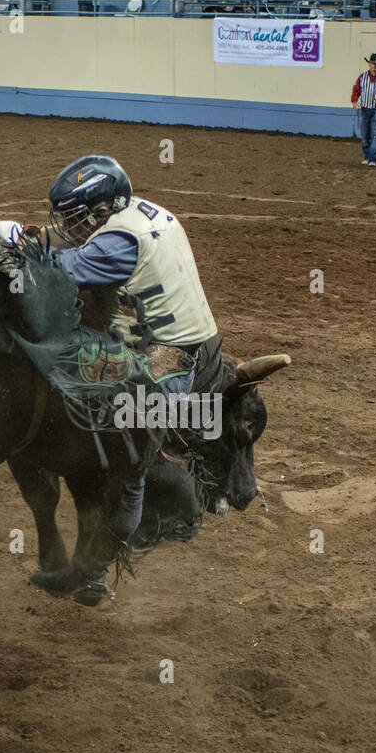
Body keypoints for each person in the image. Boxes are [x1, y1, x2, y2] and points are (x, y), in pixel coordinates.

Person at [45, 154, 222, 550]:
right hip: (178, 350)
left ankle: (111, 545)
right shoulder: (144, 215)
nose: (67, 226)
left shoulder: (117, 242)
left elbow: (59, 268)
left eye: (74, 217)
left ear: (100, 211)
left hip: (164, 365)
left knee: (121, 454)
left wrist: (24, 248)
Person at [350, 53, 376, 167]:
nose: (374, 66)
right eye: (372, 63)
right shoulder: (362, 76)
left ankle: (372, 158)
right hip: (365, 108)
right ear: (369, 64)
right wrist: (354, 101)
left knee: (375, 134)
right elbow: (356, 90)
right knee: (364, 135)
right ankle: (367, 156)